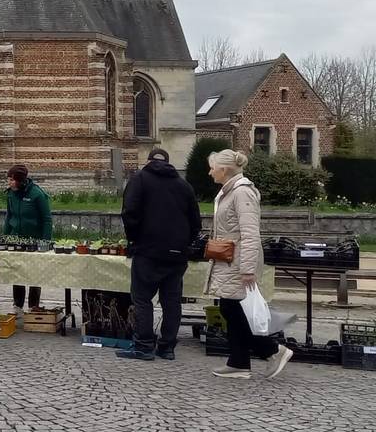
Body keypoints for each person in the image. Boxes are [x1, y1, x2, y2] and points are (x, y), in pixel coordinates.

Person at [205, 150, 293, 379]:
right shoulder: (230, 192)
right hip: (230, 259)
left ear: (224, 170)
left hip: (238, 260)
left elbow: (250, 233)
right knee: (230, 307)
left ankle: (272, 351)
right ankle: (239, 362)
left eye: (213, 167)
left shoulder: (242, 193)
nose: (210, 171)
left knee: (235, 309)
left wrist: (247, 268)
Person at [114, 149, 200, 362]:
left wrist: (135, 239)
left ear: (149, 161)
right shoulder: (184, 185)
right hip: (177, 254)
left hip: (148, 250)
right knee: (172, 302)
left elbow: (129, 213)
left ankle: (144, 346)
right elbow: (196, 222)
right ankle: (167, 347)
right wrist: (183, 243)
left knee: (142, 298)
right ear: (168, 162)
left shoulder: (140, 179)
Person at [3, 164, 52, 313]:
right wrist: (6, 236)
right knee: (17, 271)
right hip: (17, 239)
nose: (10, 183)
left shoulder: (37, 194)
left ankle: (33, 305)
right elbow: (9, 216)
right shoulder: (11, 194)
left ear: (21, 180)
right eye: (9, 179)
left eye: (12, 180)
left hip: (35, 240)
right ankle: (17, 305)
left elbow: (47, 220)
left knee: (33, 272)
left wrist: (45, 241)